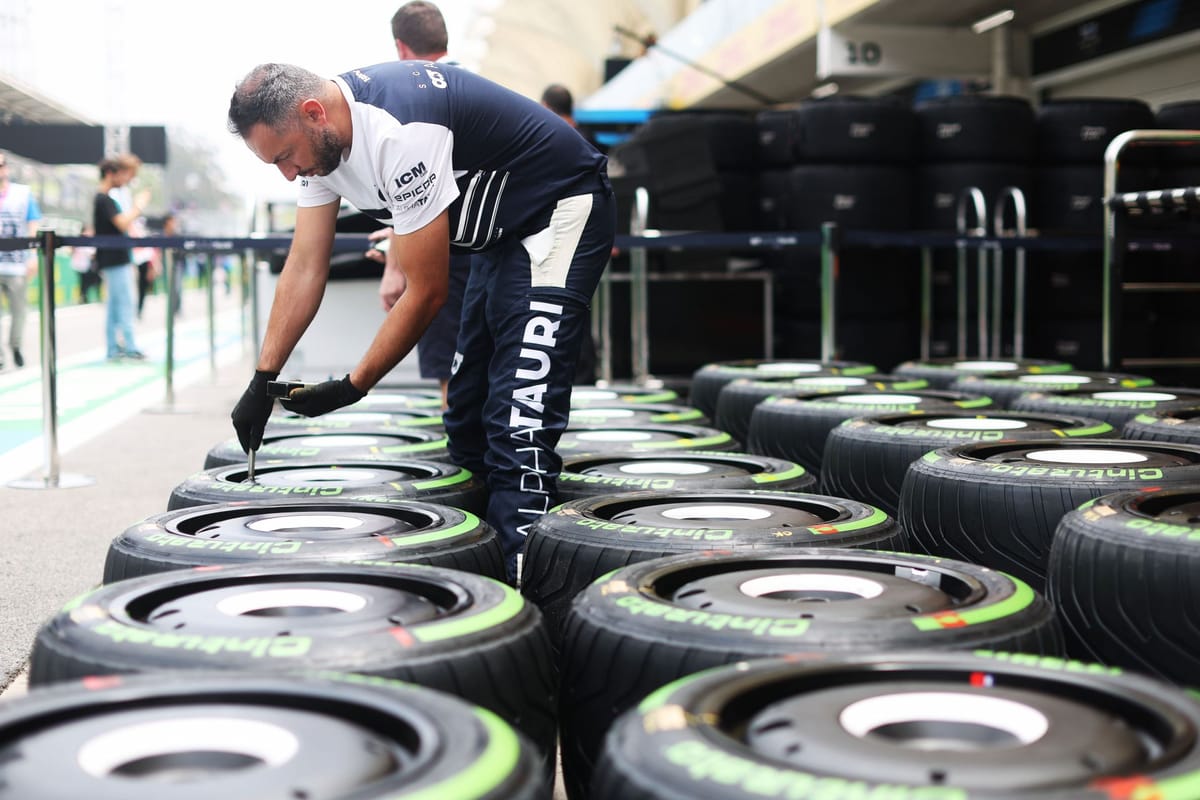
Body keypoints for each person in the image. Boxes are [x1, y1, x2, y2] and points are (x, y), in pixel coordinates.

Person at [228, 61, 614, 581]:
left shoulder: (400, 132)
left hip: (561, 210)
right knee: (465, 415)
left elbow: (427, 292)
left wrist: (352, 386)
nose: (288, 174)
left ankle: (528, 588)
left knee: (518, 420)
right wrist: (262, 377)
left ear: (313, 113)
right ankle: (475, 566)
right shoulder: (320, 148)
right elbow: (304, 266)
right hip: (499, 235)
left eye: (284, 157)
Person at [361, 0, 468, 408]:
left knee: (452, 379)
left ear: (401, 48)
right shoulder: (472, 85)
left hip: (447, 251)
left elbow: (412, 187)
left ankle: (466, 465)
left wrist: (394, 265)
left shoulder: (410, 97)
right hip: (496, 244)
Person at [93, 157, 150, 360]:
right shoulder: (104, 199)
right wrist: (139, 206)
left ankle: (114, 348)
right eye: (122, 174)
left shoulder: (105, 198)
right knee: (124, 303)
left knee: (115, 305)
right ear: (111, 173)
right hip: (115, 259)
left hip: (114, 259)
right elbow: (122, 223)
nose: (125, 179)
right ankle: (129, 346)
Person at [0, 152, 42, 369]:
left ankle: (15, 346)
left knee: (19, 312)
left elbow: (33, 224)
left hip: (16, 262)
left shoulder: (22, 194)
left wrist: (33, 255)